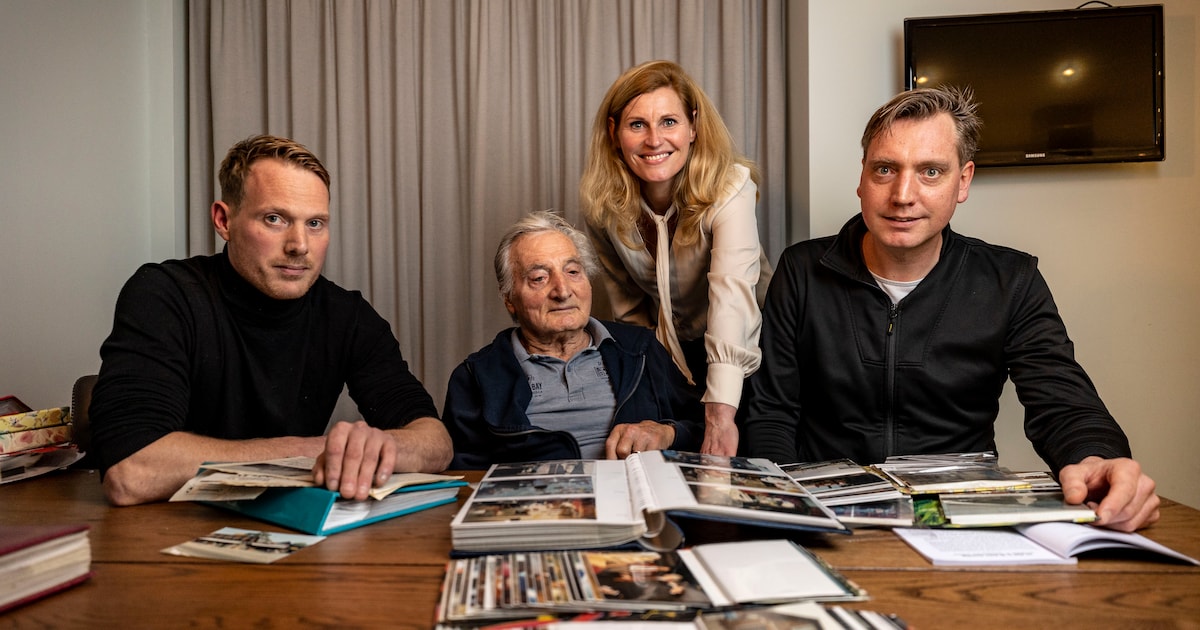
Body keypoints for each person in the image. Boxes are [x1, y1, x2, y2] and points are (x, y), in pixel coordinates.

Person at [745, 86, 1159, 532]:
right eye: (885, 169)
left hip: (958, 517)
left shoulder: (1011, 280)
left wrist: (1095, 460)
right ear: (862, 178)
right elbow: (770, 412)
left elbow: (1063, 402)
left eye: (930, 172)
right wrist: (785, 512)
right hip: (829, 515)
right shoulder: (802, 269)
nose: (903, 195)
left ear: (963, 181)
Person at [90, 134, 453, 506]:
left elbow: (435, 442)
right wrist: (312, 450)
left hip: (291, 534)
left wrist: (381, 446)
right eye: (275, 219)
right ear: (223, 220)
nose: (299, 244)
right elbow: (130, 471)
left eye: (315, 223)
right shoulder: (164, 295)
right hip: (164, 539)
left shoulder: (348, 315)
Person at [580, 60, 772, 457]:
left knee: (736, 463)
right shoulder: (602, 205)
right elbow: (628, 308)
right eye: (637, 125)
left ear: (693, 127)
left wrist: (719, 416)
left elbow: (731, 297)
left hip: (749, 349)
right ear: (615, 133)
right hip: (672, 352)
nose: (654, 140)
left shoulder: (730, 186)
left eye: (669, 122)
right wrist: (656, 383)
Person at [442, 211, 702, 469]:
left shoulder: (641, 350)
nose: (563, 291)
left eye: (573, 272)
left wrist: (668, 433)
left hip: (636, 500)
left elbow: (704, 428)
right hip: (537, 506)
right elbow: (463, 478)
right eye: (539, 278)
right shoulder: (476, 377)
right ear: (509, 299)